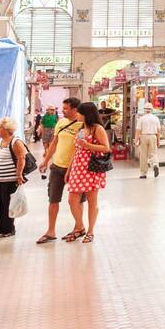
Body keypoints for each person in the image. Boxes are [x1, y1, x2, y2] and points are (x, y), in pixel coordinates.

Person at [38, 98, 83, 244]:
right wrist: (45, 160)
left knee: (76, 201)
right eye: (62, 108)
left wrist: (72, 167)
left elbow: (81, 148)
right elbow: (55, 142)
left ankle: (78, 227)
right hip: (57, 166)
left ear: (75, 109)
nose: (62, 111)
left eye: (66, 108)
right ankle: (51, 231)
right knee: (53, 198)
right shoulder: (61, 122)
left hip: (76, 168)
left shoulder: (82, 125)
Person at [66, 102, 112, 244]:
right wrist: (69, 169)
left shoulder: (97, 129)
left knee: (92, 200)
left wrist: (88, 145)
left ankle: (90, 230)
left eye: (79, 113)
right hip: (78, 168)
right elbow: (77, 149)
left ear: (86, 114)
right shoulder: (81, 128)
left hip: (92, 168)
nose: (77, 115)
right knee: (72, 199)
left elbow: (106, 148)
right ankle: (79, 226)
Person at [0, 117, 27, 237]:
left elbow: (22, 158)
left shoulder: (15, 142)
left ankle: (9, 229)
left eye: (0, 127)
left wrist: (19, 175)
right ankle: (0, 228)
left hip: (10, 180)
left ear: (7, 129)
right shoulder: (0, 141)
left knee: (8, 205)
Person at [134, 104, 162, 179]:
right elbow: (159, 131)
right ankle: (155, 165)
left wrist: (135, 141)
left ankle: (143, 173)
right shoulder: (156, 118)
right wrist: (158, 141)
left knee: (143, 155)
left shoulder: (141, 119)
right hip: (153, 136)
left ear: (144, 110)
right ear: (152, 110)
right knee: (153, 154)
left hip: (143, 137)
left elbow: (138, 131)